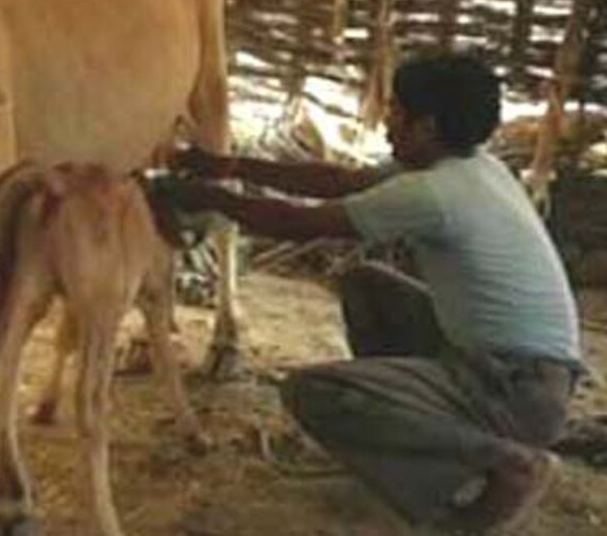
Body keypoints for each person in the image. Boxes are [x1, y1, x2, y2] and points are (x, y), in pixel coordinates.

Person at [165, 52, 584, 533]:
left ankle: (510, 466)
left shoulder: (433, 194)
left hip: (511, 391)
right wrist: (223, 166)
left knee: (314, 393)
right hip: (529, 378)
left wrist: (209, 198)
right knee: (368, 284)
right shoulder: (476, 168)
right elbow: (337, 181)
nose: (386, 121)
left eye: (396, 111)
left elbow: (298, 223)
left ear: (425, 127)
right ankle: (417, 441)